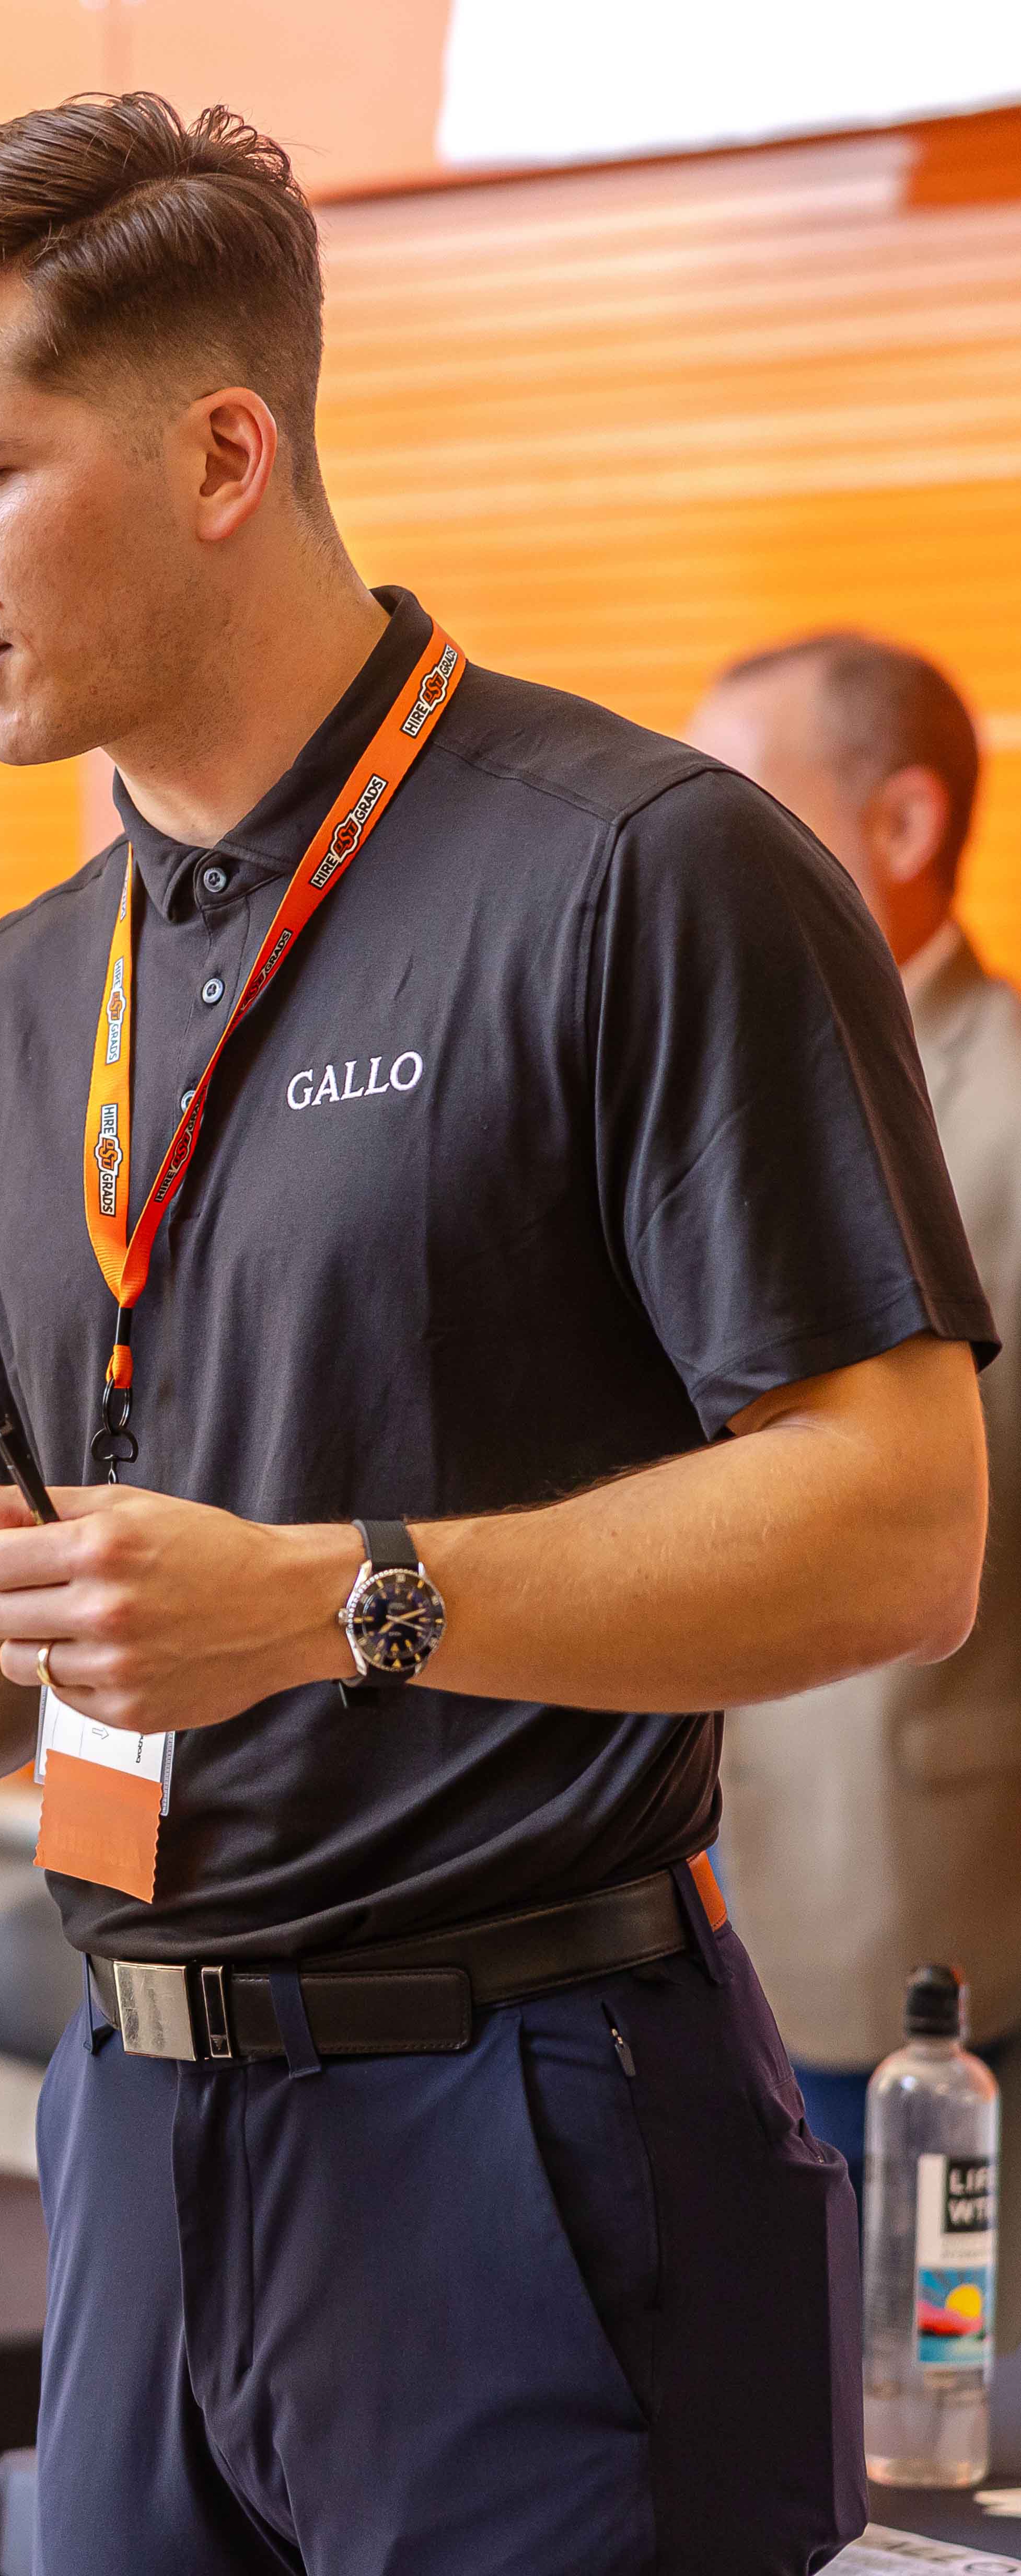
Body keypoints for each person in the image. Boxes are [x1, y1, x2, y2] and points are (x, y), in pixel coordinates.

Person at [0, 96, 990, 2575]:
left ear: (224, 450)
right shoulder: (17, 1011)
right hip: (133, 2131)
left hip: (529, 2111)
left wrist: (336, 1596)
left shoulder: (643, 879)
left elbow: (894, 1530)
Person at [688, 632, 1021, 2166]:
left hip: (936, 1896)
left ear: (900, 827)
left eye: (734, 814)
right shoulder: (696, 1101)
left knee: (929, 2377)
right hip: (684, 1887)